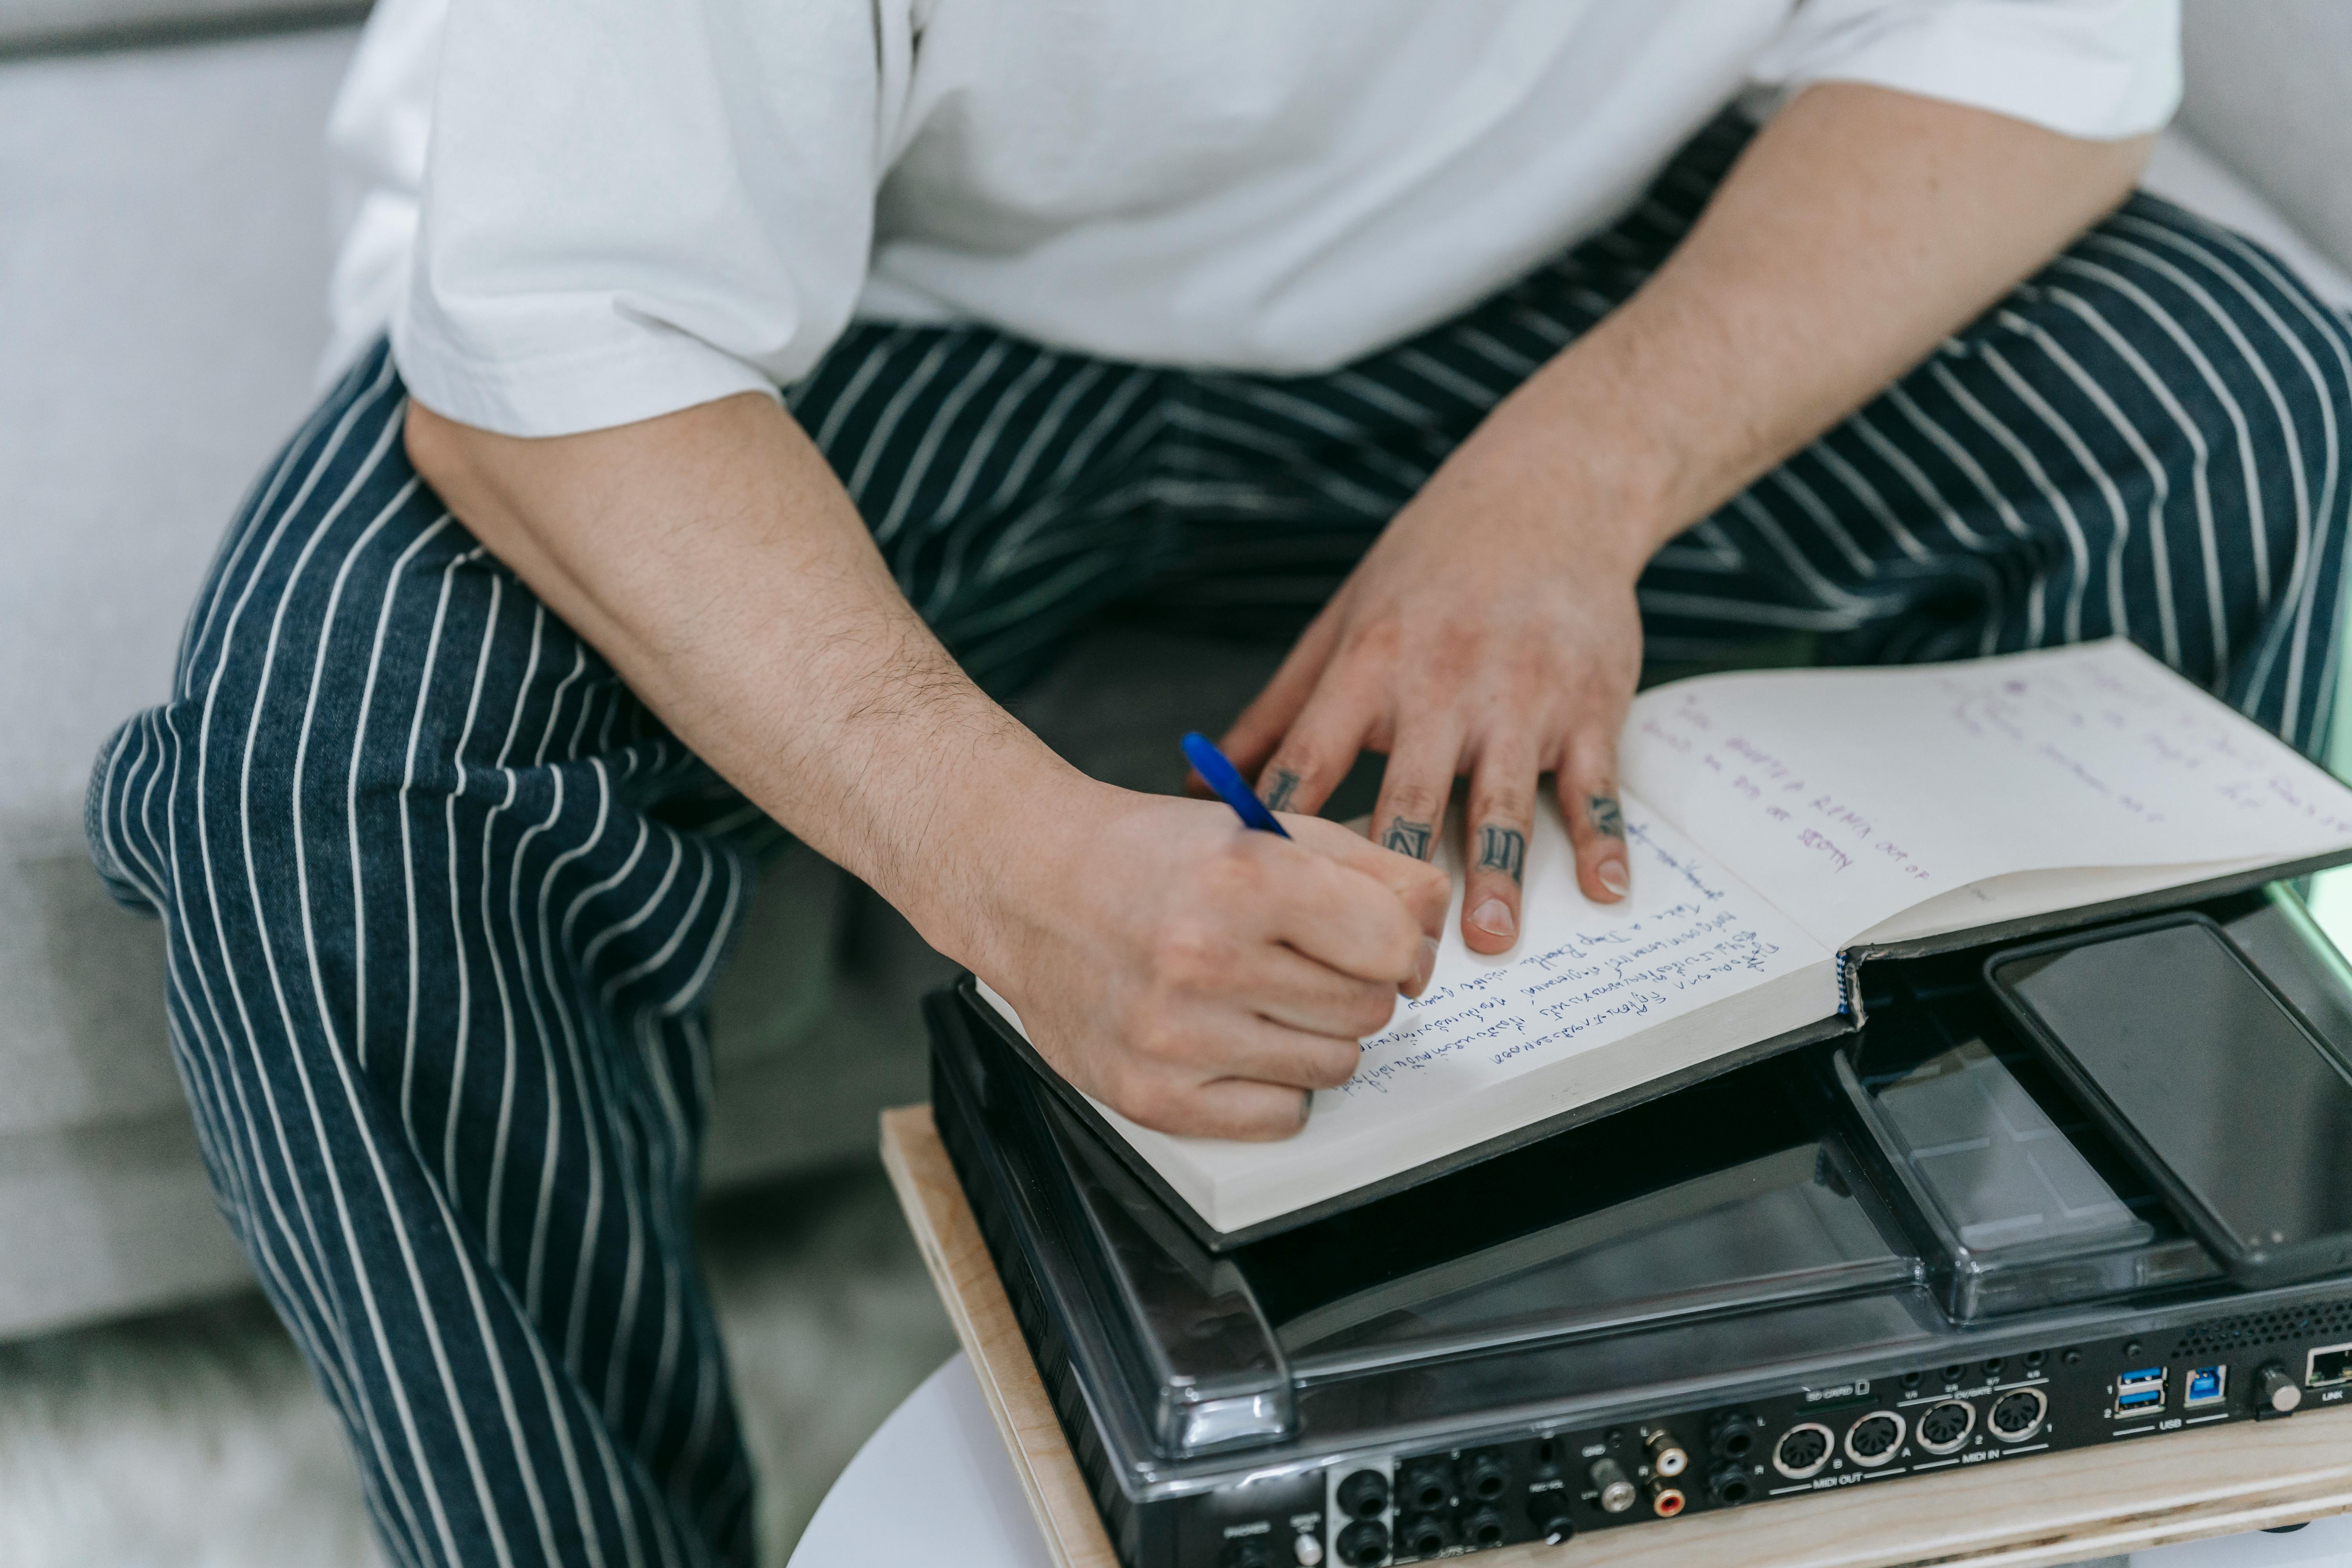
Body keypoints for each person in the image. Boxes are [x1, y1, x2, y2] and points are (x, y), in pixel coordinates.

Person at [86, 1, 2352, 1562]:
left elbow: (2025, 59)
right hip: (868, 317)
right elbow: (552, 354)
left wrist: (1575, 482)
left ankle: (2094, 1415)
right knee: (334, 764)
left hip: (1559, 287)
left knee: (2230, 402)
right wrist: (1001, 854)